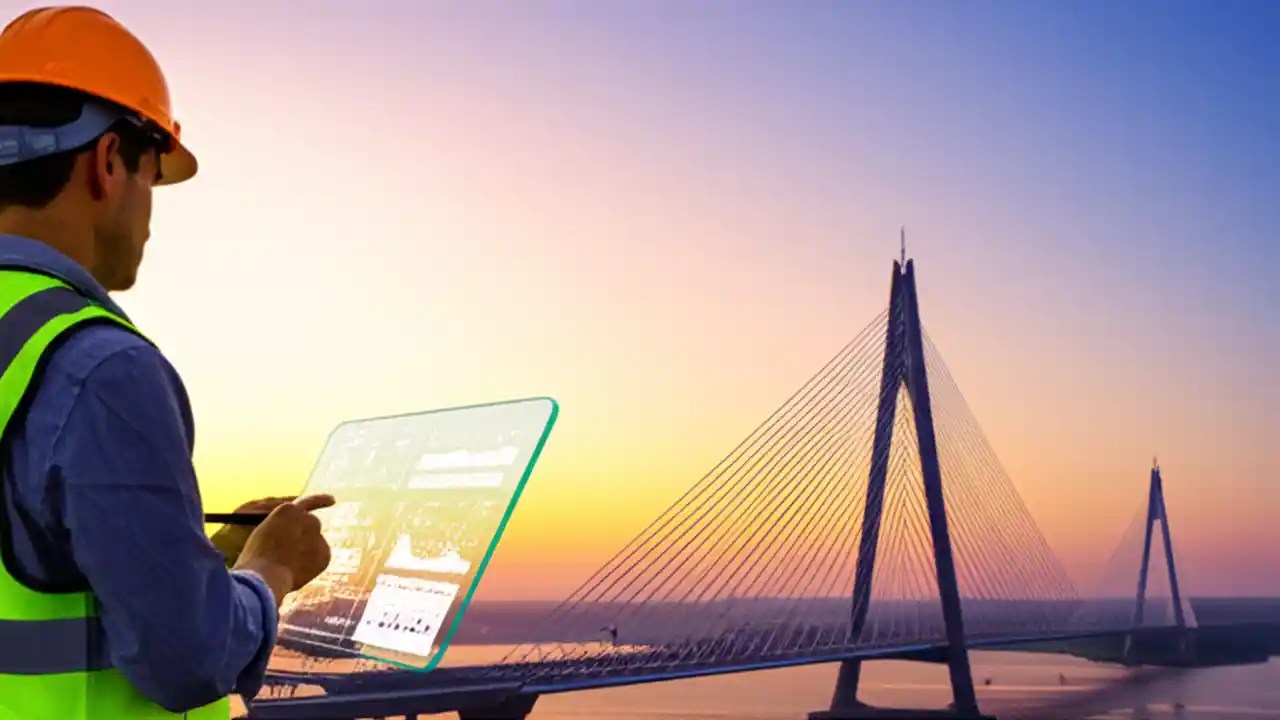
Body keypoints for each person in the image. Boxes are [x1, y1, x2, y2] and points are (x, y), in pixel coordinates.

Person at [0, 6, 333, 719]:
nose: (149, 212)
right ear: (109, 160)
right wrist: (271, 569)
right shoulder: (97, 368)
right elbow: (187, 659)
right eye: (153, 176)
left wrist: (200, 559)